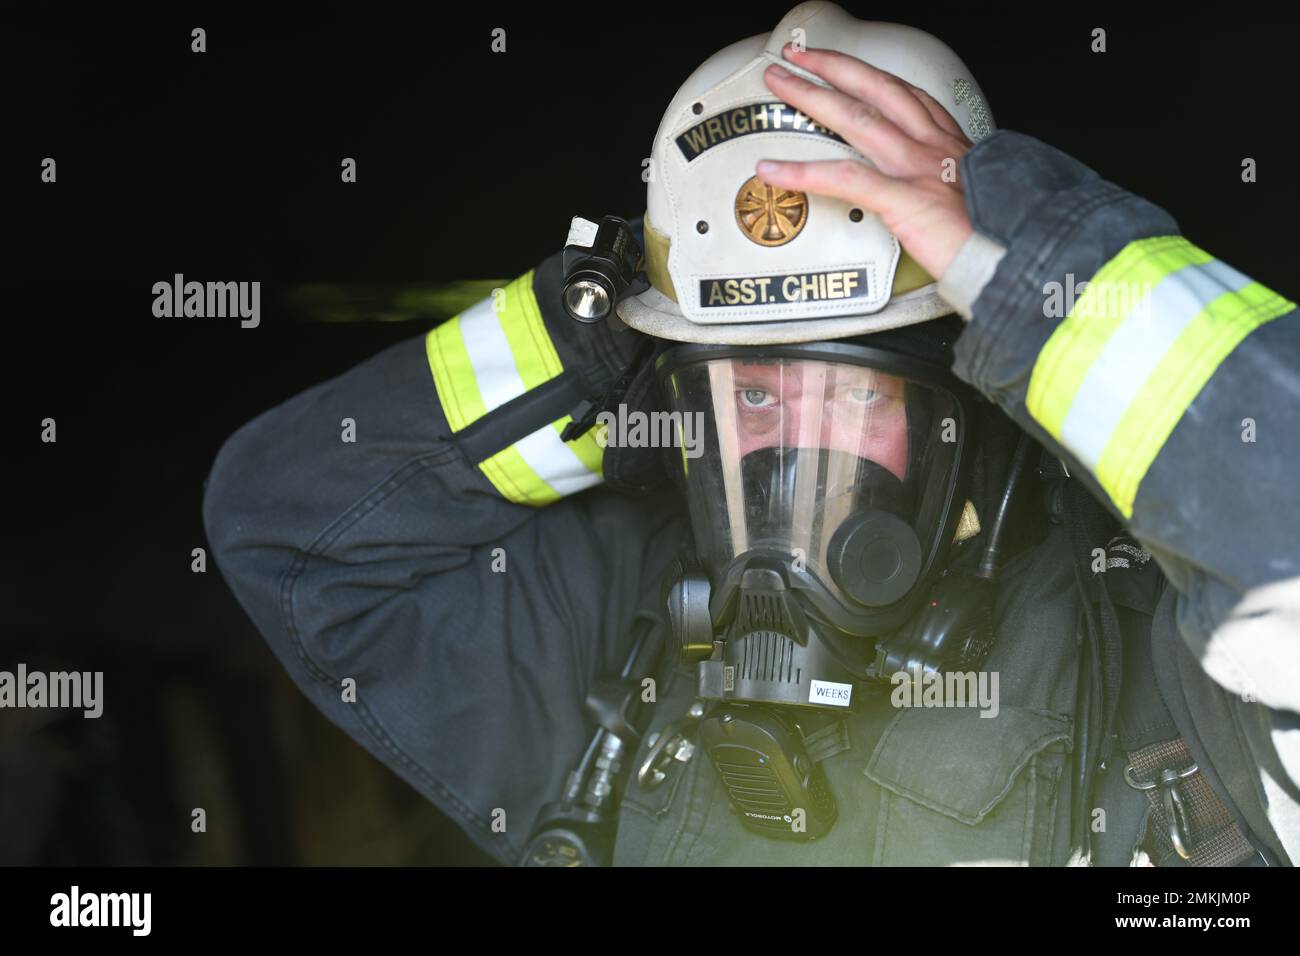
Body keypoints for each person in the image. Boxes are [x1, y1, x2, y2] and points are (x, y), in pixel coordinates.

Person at [202, 2, 1300, 866]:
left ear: (972, 395)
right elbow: (294, 522)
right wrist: (596, 331)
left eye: (857, 395)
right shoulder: (623, 636)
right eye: (755, 398)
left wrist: (1047, 268)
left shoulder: (1179, 663)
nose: (791, 467)